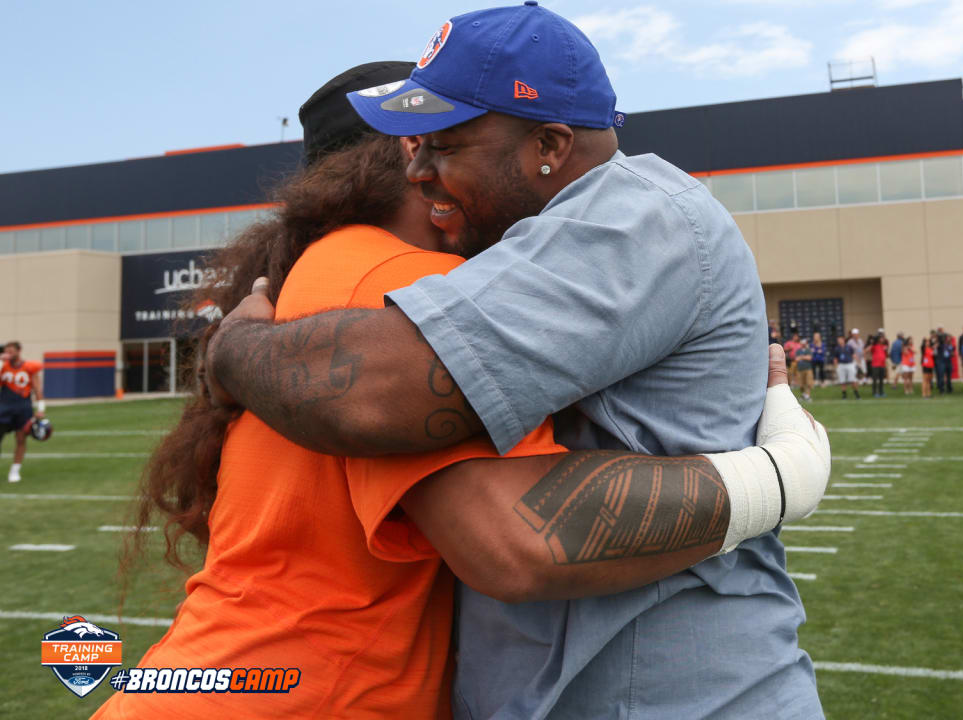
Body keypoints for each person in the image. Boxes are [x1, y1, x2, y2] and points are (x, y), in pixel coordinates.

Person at [95, 62, 830, 720]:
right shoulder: (391, 283)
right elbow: (514, 542)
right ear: (401, 165)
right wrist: (785, 474)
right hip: (307, 692)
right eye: (437, 143)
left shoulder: (317, 275)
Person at [0, 341, 44, 483]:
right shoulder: (3, 366)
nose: (8, 354)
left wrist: (41, 409)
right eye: (6, 351)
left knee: (20, 439)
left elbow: (37, 389)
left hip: (23, 408)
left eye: (11, 351)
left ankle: (15, 470)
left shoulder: (29, 367)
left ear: (19, 351)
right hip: (4, 408)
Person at [835, 335, 860, 400]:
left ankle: (857, 394)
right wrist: (836, 366)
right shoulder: (837, 348)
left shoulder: (849, 347)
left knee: (853, 380)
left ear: (843, 340)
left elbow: (853, 355)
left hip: (849, 364)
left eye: (840, 339)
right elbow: (835, 358)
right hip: (841, 365)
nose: (839, 341)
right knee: (842, 381)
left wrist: (858, 362)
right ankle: (844, 395)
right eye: (838, 340)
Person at [935, 327, 955, 394]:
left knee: (949, 376)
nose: (948, 338)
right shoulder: (940, 344)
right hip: (941, 361)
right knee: (941, 376)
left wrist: (952, 353)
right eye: (947, 337)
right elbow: (935, 347)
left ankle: (949, 388)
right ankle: (941, 389)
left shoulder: (950, 345)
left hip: (948, 361)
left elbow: (952, 352)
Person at [869, 333, 888, 398]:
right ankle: (875, 392)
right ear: (878, 339)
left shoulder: (884, 346)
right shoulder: (874, 346)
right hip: (875, 365)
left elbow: (885, 354)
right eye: (881, 338)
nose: (883, 339)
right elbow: (870, 351)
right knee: (875, 379)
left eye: (883, 338)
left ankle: (881, 392)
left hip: (882, 365)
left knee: (881, 379)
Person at [920, 334, 934, 398]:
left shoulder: (931, 348)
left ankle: (929, 394)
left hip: (931, 366)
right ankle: (924, 394)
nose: (928, 342)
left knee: (929, 380)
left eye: (928, 341)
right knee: (925, 380)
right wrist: (924, 339)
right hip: (926, 366)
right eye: (926, 341)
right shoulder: (924, 348)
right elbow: (922, 346)